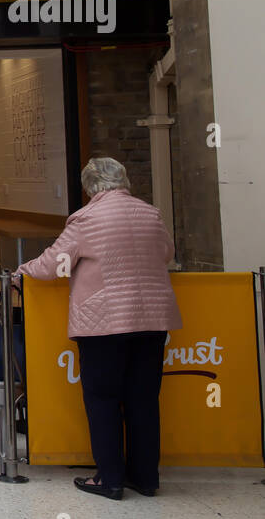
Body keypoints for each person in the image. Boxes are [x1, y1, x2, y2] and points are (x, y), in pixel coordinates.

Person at [15, 157, 181, 500]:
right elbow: (166, 253)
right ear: (124, 181)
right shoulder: (151, 213)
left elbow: (54, 264)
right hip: (151, 320)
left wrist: (22, 271)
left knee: (103, 398)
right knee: (144, 400)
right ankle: (145, 477)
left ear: (90, 186)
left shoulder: (87, 218)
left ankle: (110, 478)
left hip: (104, 323)